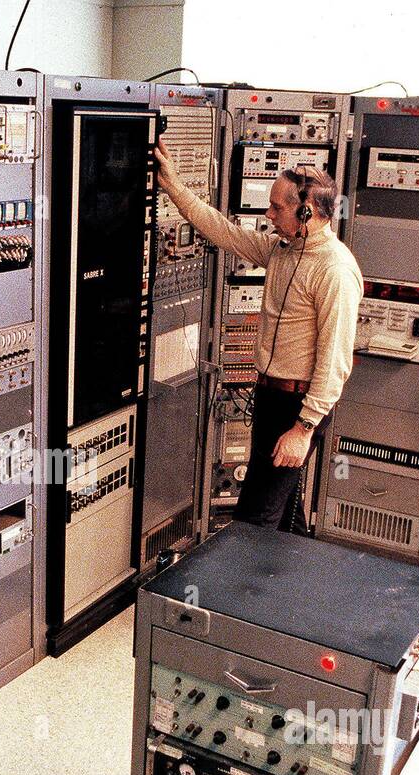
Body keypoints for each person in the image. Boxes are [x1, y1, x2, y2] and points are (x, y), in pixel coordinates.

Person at [156, 144, 362, 529]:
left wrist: (303, 429)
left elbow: (336, 362)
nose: (268, 215)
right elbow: (225, 232)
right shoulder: (285, 250)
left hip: (298, 406)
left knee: (256, 518)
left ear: (306, 212)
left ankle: (242, 588)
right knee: (283, 510)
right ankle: (290, 585)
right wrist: (175, 187)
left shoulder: (334, 271)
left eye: (276, 208)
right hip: (272, 397)